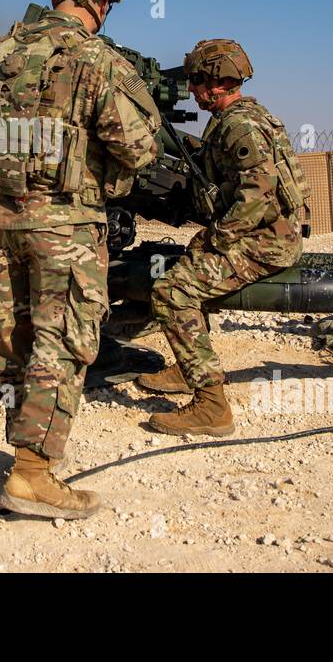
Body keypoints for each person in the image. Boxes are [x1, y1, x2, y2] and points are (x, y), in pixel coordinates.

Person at [0, 0, 161, 519]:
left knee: (12, 338)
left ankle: (23, 455)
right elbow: (138, 146)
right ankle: (32, 475)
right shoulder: (98, 61)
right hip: (63, 229)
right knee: (59, 342)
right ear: (100, 1)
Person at [138, 39, 310, 436]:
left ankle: (211, 406)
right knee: (191, 266)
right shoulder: (242, 117)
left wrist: (216, 238)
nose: (193, 91)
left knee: (171, 292)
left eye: (196, 82)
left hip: (266, 240)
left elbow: (258, 195)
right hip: (267, 232)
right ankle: (190, 366)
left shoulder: (239, 125)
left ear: (215, 83)